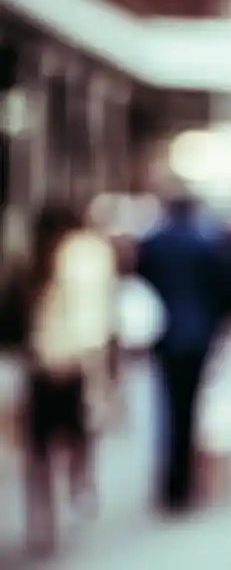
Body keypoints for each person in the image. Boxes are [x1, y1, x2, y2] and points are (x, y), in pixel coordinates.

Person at [13, 204, 117, 554]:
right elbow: (96, 319)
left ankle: (47, 515)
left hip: (47, 361)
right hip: (67, 362)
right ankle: (68, 496)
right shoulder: (83, 256)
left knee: (43, 448)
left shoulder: (42, 258)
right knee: (67, 438)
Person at [136, 193, 231, 512]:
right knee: (189, 408)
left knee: (168, 406)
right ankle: (185, 482)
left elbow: (142, 280)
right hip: (197, 334)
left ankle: (171, 482)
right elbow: (220, 288)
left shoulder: (155, 242)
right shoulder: (204, 242)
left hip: (165, 334)